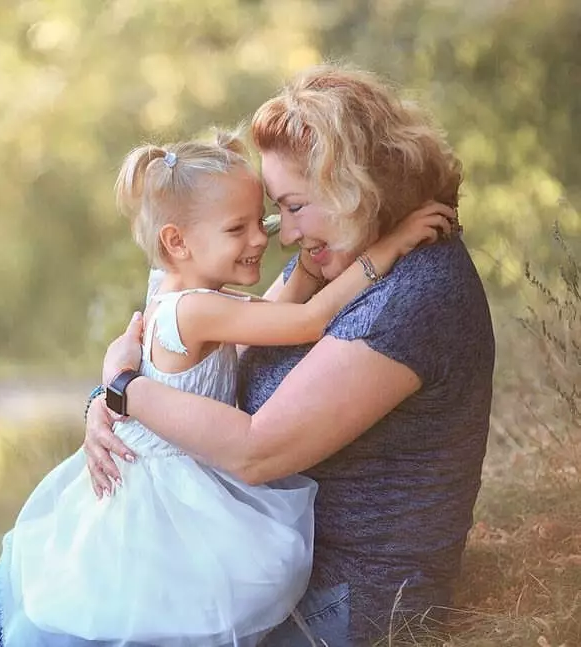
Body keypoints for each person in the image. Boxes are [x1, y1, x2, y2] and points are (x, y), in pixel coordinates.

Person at [0, 124, 455, 647]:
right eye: (238, 229)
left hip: (155, 476)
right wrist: (387, 249)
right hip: (166, 496)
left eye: (265, 220)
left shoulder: (175, 289)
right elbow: (304, 322)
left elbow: (266, 316)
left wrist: (305, 260)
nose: (261, 238)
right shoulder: (196, 310)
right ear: (177, 241)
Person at [84, 64, 495, 646]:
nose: (284, 235)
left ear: (354, 184)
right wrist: (105, 399)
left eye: (294, 207)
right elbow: (221, 349)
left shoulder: (412, 294)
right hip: (240, 553)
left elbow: (255, 451)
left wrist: (123, 389)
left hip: (344, 596)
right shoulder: (338, 257)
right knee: (29, 598)